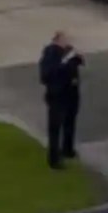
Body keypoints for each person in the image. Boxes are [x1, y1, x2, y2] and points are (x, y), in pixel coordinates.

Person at [39, 31, 84, 169]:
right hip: (57, 96)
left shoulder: (69, 51)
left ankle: (67, 149)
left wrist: (77, 58)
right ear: (57, 40)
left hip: (71, 93)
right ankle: (54, 159)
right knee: (55, 127)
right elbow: (46, 75)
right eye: (65, 40)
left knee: (70, 123)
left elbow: (78, 63)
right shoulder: (50, 53)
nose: (67, 42)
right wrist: (64, 63)